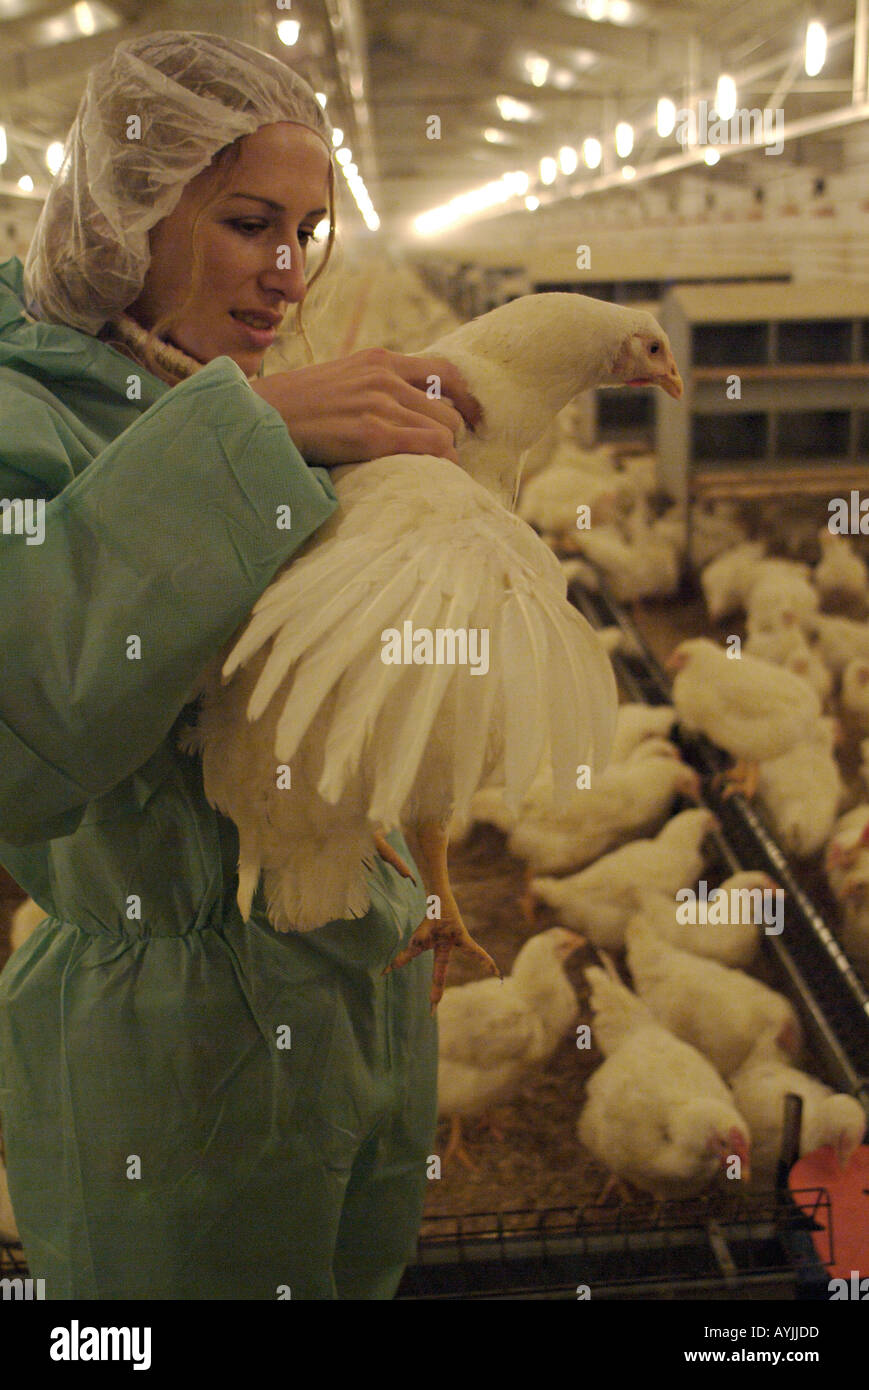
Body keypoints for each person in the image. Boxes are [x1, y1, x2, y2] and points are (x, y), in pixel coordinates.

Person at [0, 30, 479, 1300]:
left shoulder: (210, 382)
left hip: (349, 992)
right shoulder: (22, 412)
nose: (286, 274)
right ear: (127, 212)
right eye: (249, 222)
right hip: (171, 1051)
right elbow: (25, 724)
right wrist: (251, 433)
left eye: (307, 232)